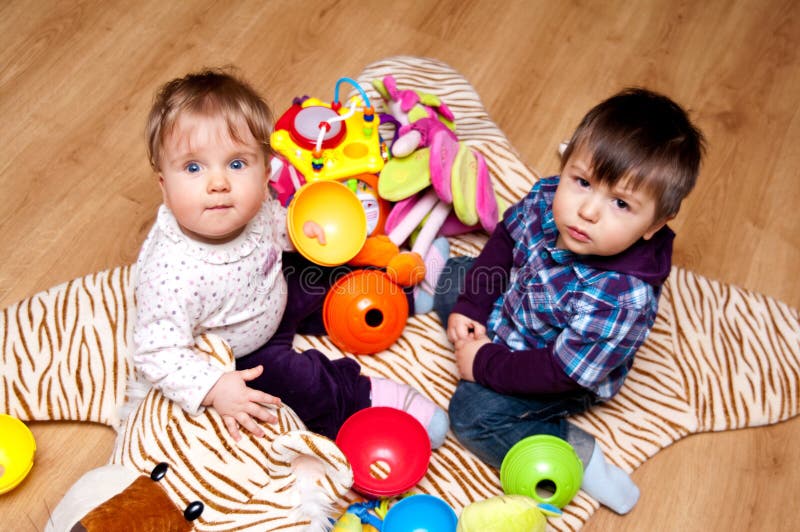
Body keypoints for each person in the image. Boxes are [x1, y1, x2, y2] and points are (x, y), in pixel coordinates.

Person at [133, 68, 448, 448]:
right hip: (243, 351)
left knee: (325, 269)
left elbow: (274, 223)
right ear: (164, 185)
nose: (218, 183)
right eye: (193, 167)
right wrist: (214, 386)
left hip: (272, 289)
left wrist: (298, 233)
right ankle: (364, 398)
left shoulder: (252, 206)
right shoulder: (170, 272)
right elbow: (156, 351)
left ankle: (407, 295)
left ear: (266, 172)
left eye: (236, 164)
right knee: (300, 385)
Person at [433, 88, 705, 514]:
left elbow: (560, 372)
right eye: (582, 182)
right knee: (458, 278)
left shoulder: (621, 298)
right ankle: (438, 303)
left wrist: (482, 362)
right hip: (518, 309)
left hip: (561, 370)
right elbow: (506, 239)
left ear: (655, 224)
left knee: (471, 413)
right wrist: (471, 306)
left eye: (620, 203)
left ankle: (578, 455)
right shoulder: (549, 199)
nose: (588, 211)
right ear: (566, 165)